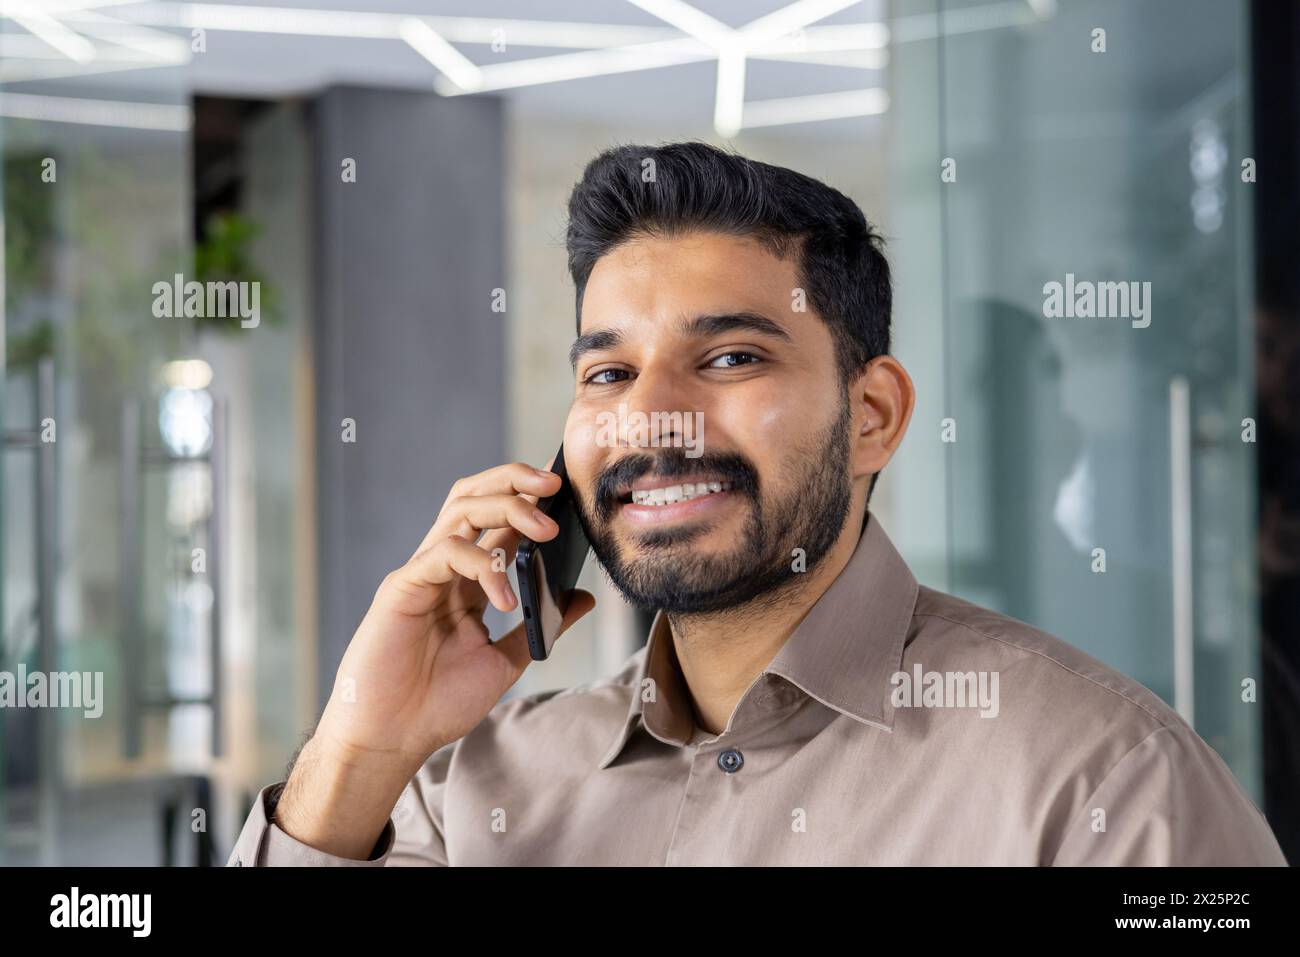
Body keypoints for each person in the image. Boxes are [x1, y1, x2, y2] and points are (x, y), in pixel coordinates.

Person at [228, 142, 1286, 866]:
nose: (653, 420)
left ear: (870, 415)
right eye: (607, 375)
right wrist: (358, 754)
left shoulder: (1102, 782)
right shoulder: (461, 794)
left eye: (729, 356)